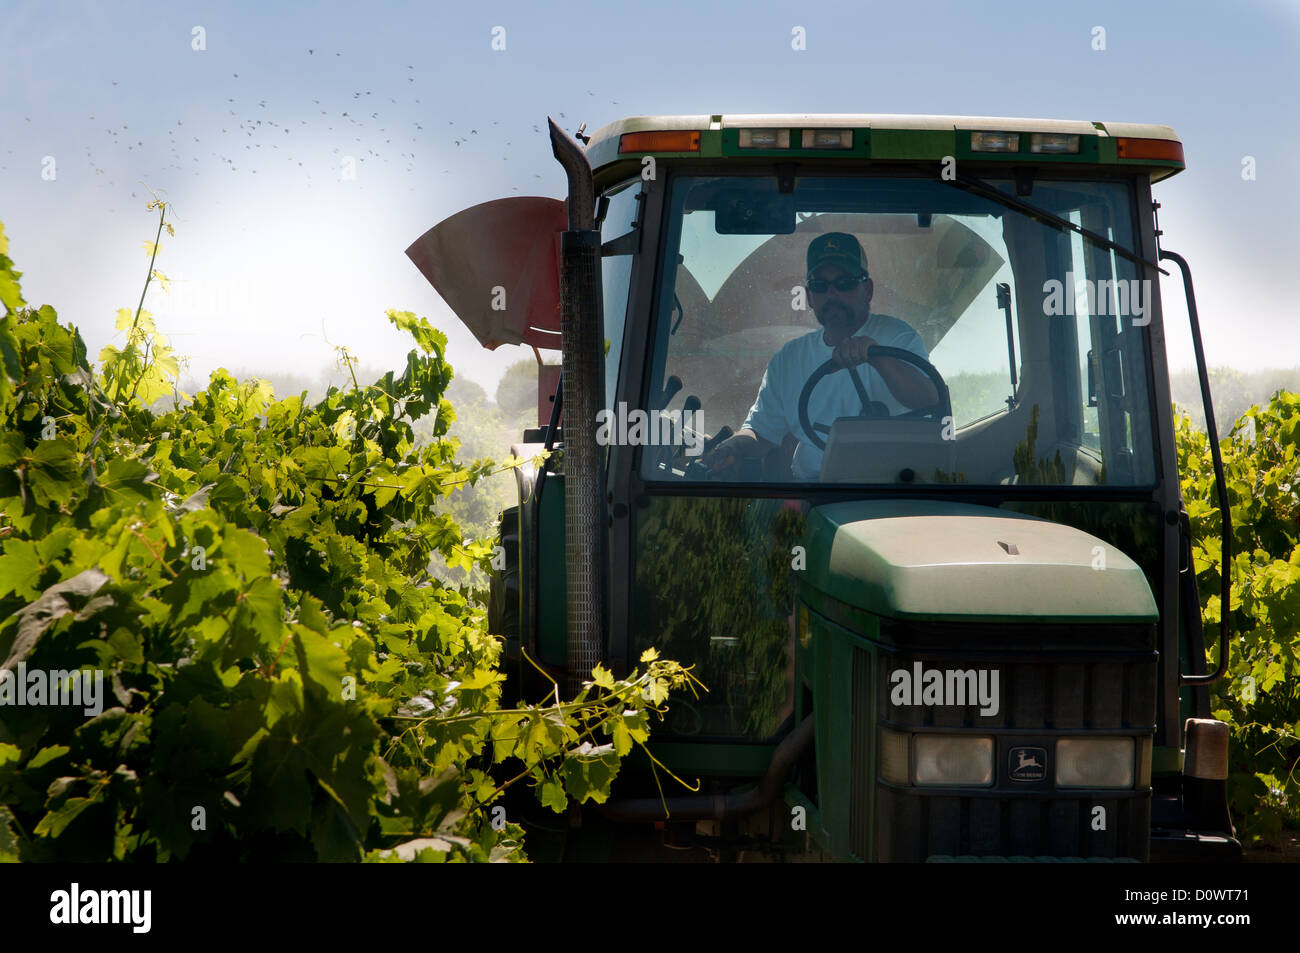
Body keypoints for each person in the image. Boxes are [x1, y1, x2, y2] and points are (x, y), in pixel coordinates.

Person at [703, 232, 938, 480]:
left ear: (867, 290)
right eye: (819, 285)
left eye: (844, 283)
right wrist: (732, 446)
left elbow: (929, 399)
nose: (832, 294)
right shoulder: (789, 360)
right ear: (809, 296)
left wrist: (877, 357)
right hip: (813, 491)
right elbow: (760, 433)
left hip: (891, 488)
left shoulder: (897, 338)